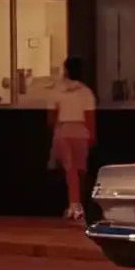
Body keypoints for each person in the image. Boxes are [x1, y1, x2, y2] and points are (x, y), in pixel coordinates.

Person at [48, 57, 96, 221]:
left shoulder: (57, 91)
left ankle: (74, 205)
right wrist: (91, 136)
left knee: (70, 170)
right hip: (81, 132)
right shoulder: (86, 92)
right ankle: (77, 204)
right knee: (80, 170)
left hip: (63, 130)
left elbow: (51, 117)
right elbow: (90, 118)